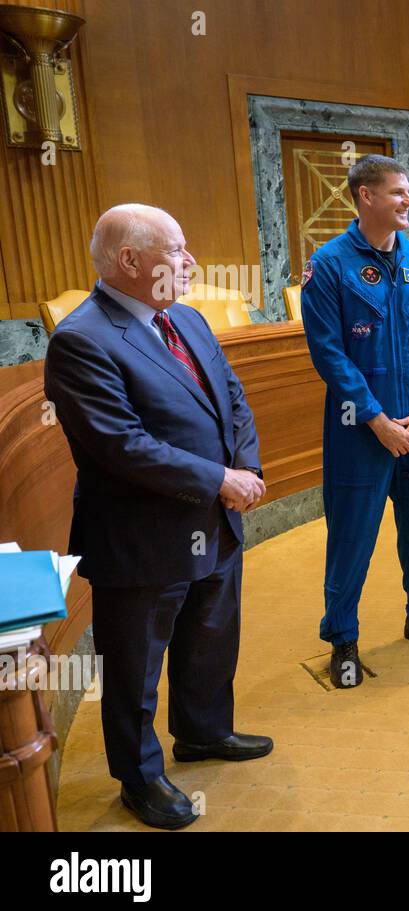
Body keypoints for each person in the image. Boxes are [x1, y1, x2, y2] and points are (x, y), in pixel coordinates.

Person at [43, 204, 272, 829]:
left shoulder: (189, 319)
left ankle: (202, 732)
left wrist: (243, 472)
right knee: (134, 665)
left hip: (215, 521)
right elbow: (120, 445)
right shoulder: (81, 340)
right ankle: (139, 779)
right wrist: (220, 480)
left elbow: (232, 397)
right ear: (131, 262)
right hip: (141, 538)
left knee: (210, 638)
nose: (192, 260)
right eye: (178, 249)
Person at [300, 154, 409, 690]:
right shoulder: (329, 265)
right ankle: (342, 639)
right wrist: (377, 419)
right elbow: (328, 353)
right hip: (359, 430)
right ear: (365, 196)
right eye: (398, 192)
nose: (408, 201)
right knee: (352, 536)